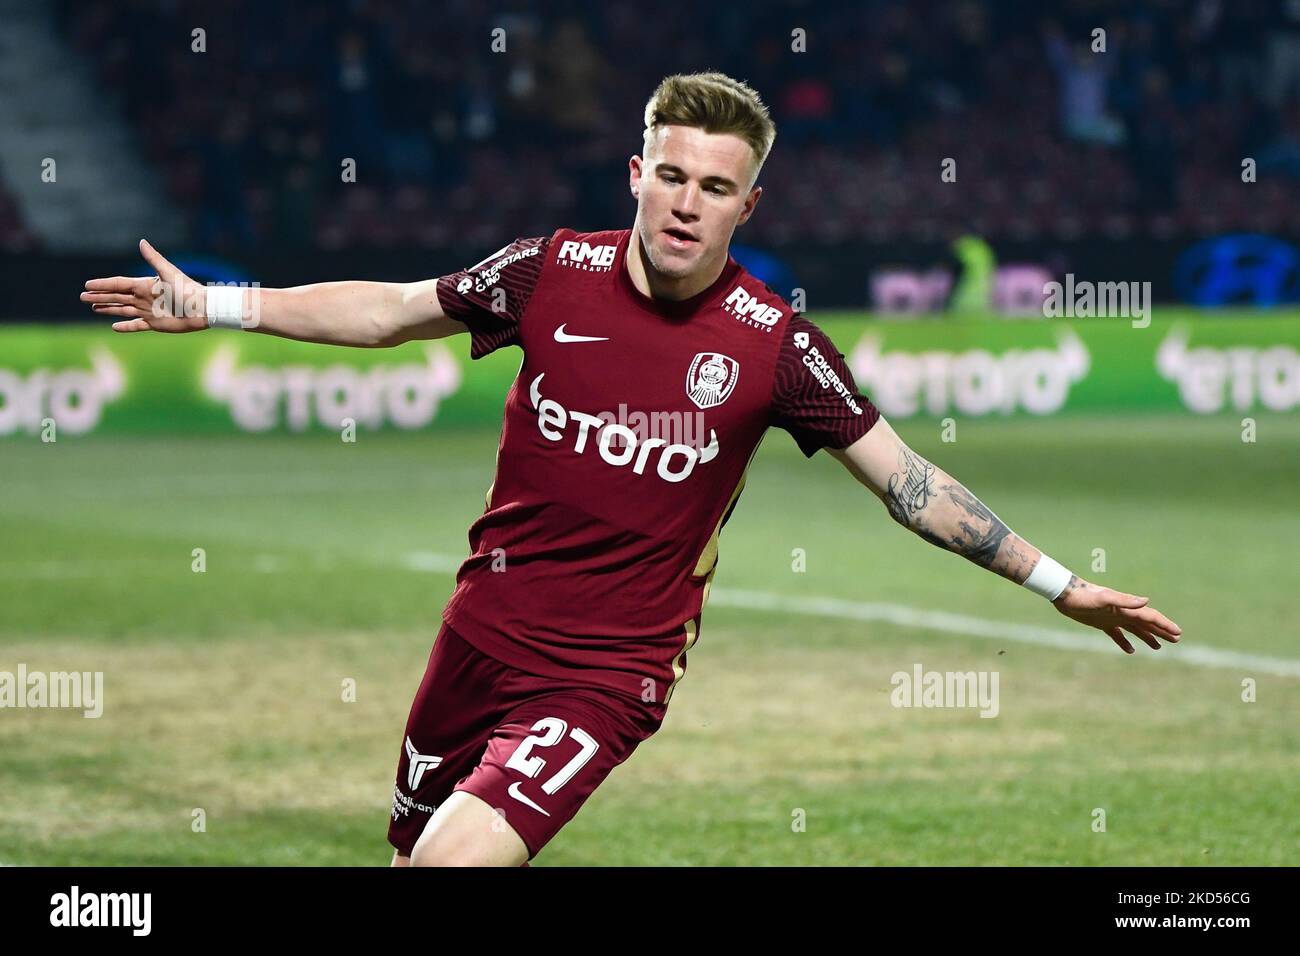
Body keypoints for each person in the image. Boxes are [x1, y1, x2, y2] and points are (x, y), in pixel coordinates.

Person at [80, 71, 1181, 867]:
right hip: (476, 632)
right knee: (414, 854)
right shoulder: (550, 271)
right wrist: (219, 303)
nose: (686, 200)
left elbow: (909, 482)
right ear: (637, 173)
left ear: (748, 207)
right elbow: (389, 312)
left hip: (604, 675)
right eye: (670, 172)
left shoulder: (773, 344)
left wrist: (1056, 582)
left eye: (715, 185)